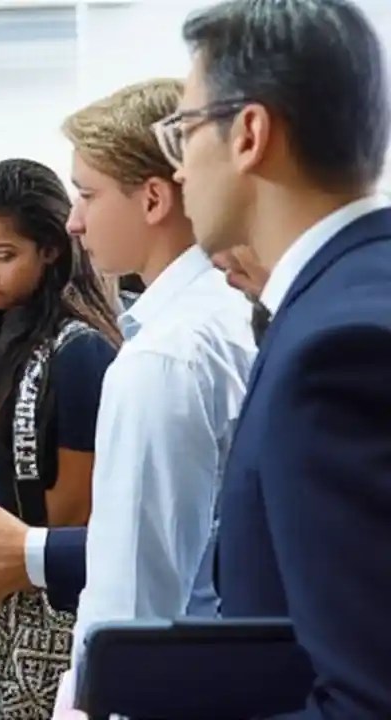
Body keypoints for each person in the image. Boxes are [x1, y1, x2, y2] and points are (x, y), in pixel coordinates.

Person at [0, 77, 259, 701]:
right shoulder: (220, 317)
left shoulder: (160, 357)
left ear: (154, 198)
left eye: (87, 195)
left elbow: (137, 587)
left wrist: (90, 699)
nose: (75, 223)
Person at [169, 0, 391, 716]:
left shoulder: (336, 350)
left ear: (250, 134)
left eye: (183, 131)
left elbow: (363, 699)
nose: (176, 173)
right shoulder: (352, 292)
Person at [0, 158, 121, 719]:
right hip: (5, 603)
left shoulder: (79, 352)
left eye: (2, 255)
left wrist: (5, 565)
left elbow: (74, 515)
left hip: (54, 611)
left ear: (49, 249)